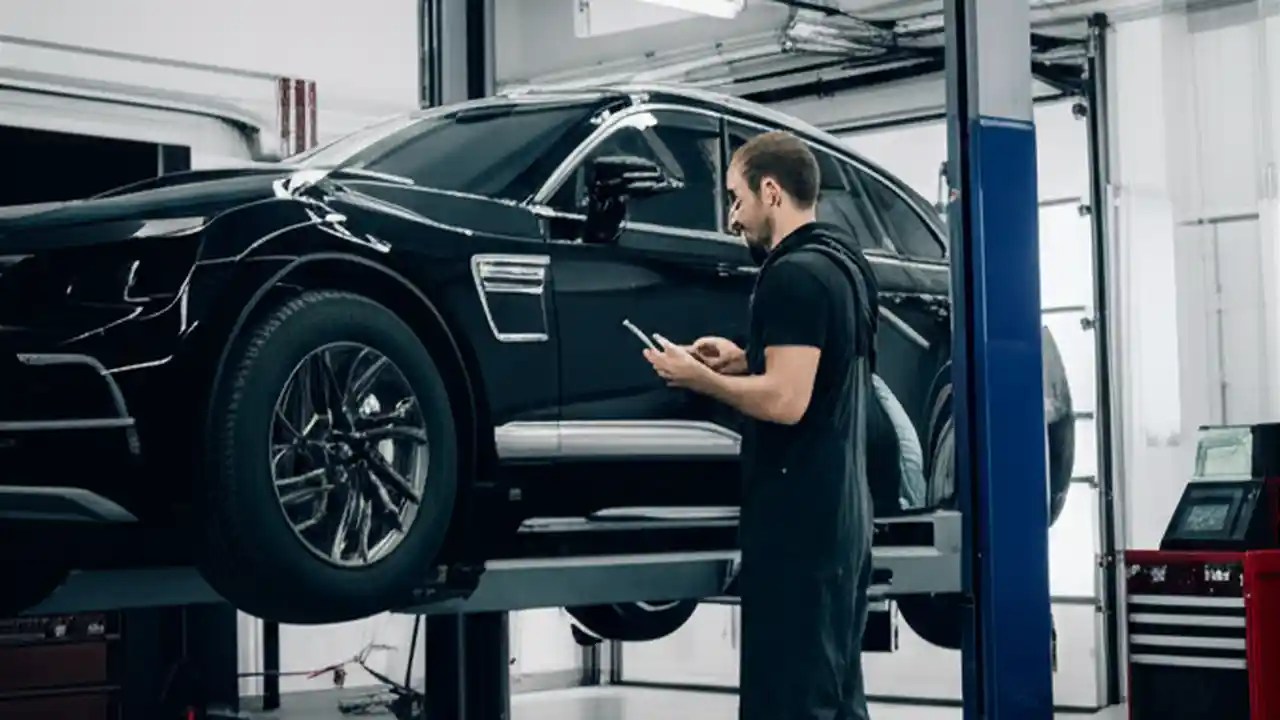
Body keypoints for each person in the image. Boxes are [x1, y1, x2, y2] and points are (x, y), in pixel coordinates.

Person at [643, 130, 878, 720]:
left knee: (791, 701)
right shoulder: (846, 266)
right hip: (843, 515)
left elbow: (787, 400)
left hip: (799, 523)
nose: (731, 217)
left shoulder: (791, 274)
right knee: (835, 695)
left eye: (735, 198)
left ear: (770, 192)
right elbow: (821, 369)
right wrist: (746, 357)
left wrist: (699, 380)